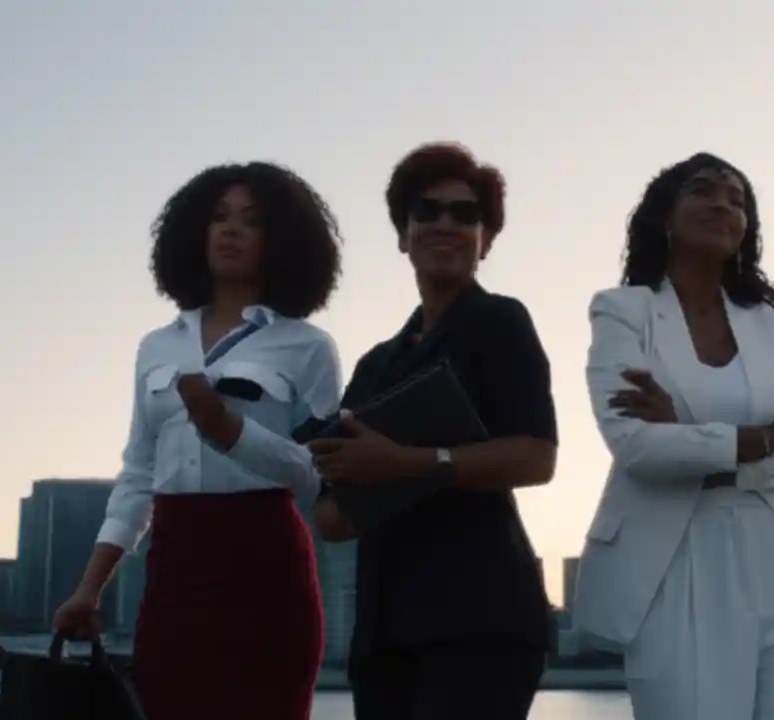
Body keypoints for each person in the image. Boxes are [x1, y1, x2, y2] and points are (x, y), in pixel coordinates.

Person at [571, 152, 774, 720]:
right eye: (703, 191)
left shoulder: (773, 325)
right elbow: (636, 447)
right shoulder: (624, 311)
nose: (723, 205)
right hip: (675, 562)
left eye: (737, 199)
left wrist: (690, 435)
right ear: (666, 217)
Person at [52, 162, 344, 719]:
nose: (230, 230)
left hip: (268, 562)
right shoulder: (157, 347)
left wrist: (228, 431)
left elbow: (318, 474)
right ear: (195, 232)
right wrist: (88, 590)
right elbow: (138, 474)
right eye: (218, 218)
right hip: (176, 566)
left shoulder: (307, 347)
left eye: (251, 222)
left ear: (281, 240)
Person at [308, 142, 557, 720]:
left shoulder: (501, 323)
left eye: (465, 214)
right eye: (427, 211)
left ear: (486, 240)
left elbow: (537, 458)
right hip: (384, 628)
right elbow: (334, 518)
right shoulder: (374, 365)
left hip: (480, 618)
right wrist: (339, 479)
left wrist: (405, 463)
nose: (445, 224)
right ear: (403, 234)